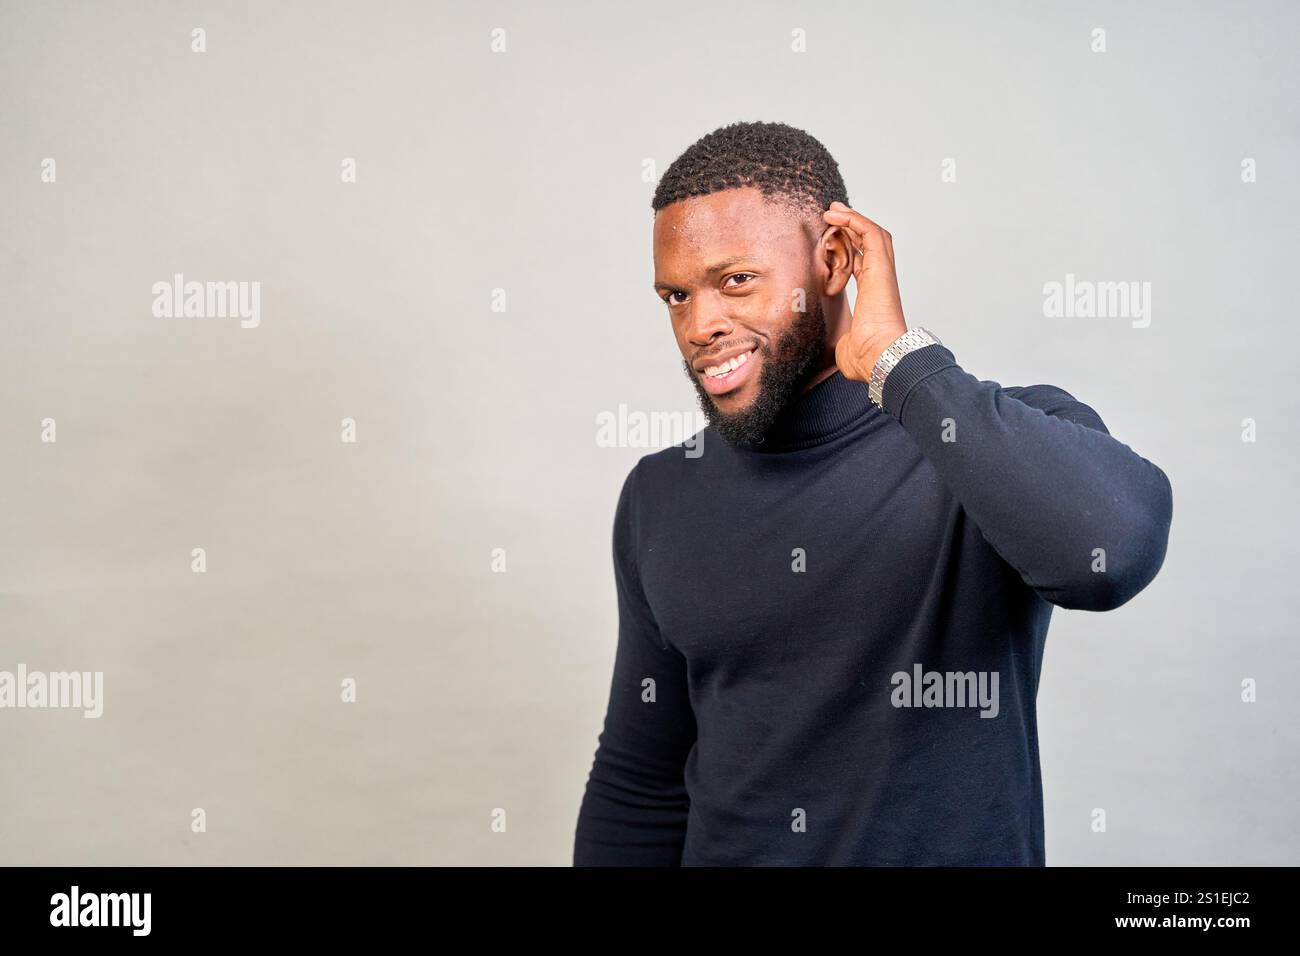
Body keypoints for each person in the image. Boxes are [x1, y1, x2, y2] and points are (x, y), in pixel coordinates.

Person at [573, 120, 1173, 866]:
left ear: (833, 262)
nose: (700, 325)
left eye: (735, 281)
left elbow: (1112, 553)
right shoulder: (660, 492)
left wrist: (900, 364)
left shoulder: (977, 443)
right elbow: (641, 781)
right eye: (675, 295)